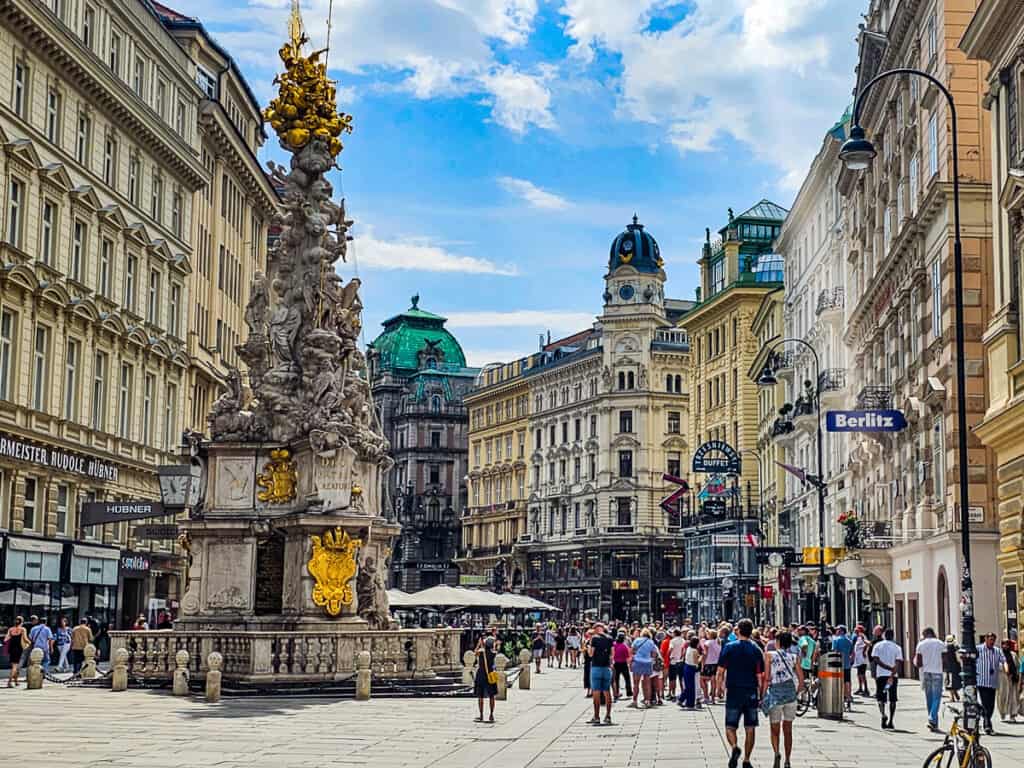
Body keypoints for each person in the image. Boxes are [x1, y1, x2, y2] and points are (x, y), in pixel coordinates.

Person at [716, 619, 765, 768]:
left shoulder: (729, 647)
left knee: (730, 726)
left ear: (738, 631)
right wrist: (761, 693)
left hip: (734, 691)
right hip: (750, 691)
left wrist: (719, 687)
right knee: (750, 728)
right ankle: (747, 760)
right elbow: (760, 675)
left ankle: (734, 747)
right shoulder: (756, 649)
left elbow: (720, 671)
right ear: (751, 631)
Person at [764, 630, 803, 768]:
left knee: (774, 728)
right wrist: (797, 691)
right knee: (788, 729)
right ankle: (787, 759)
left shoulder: (769, 655)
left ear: (778, 642)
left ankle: (776, 752)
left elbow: (767, 678)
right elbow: (800, 678)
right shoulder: (794, 657)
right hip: (790, 696)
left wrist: (763, 694)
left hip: (775, 695)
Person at [914, 627, 946, 731]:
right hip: (938, 672)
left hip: (926, 672)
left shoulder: (921, 644)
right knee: (937, 697)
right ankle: (932, 718)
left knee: (929, 698)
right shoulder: (941, 643)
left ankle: (933, 722)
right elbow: (945, 659)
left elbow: (918, 663)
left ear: (925, 634)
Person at [870, 627, 903, 730]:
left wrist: (885, 667)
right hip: (891, 677)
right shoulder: (897, 647)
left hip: (881, 676)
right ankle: (891, 721)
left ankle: (883, 714)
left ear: (884, 635)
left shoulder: (878, 645)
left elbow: (875, 659)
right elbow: (898, 662)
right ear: (893, 636)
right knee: (892, 698)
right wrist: (892, 673)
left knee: (881, 696)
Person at [587, 623, 614, 725]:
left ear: (595, 630)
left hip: (596, 667)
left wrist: (589, 644)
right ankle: (608, 716)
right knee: (607, 691)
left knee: (596, 692)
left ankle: (597, 716)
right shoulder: (610, 638)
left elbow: (590, 654)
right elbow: (612, 654)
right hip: (606, 667)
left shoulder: (594, 638)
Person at [976, 633, 1001, 735]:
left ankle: (985, 718)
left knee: (991, 706)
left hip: (992, 682)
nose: (992, 642)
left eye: (993, 640)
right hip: (982, 681)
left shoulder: (997, 651)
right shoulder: (978, 649)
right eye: (990, 640)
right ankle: (987, 725)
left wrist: (1006, 667)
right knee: (986, 704)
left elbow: (1003, 660)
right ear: (985, 639)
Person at [629, 628, 658, 708]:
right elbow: (654, 653)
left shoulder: (637, 640)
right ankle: (648, 701)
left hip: (637, 662)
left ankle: (634, 701)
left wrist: (631, 660)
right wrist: (651, 658)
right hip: (647, 663)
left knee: (636, 683)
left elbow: (631, 651)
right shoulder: (651, 642)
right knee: (647, 683)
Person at [473, 635, 498, 723]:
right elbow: (495, 649)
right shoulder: (493, 653)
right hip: (490, 675)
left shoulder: (480, 652)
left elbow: (474, 652)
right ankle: (491, 714)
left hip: (481, 675)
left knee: (480, 696)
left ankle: (481, 715)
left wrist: (479, 644)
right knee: (492, 696)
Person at [997, 639, 1021, 723]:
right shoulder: (998, 655)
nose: (1005, 646)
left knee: (1013, 697)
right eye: (1003, 644)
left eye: (1007, 644)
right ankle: (1002, 713)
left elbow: (1018, 665)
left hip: (1013, 679)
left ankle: (1012, 715)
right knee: (1002, 697)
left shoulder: (1013, 655)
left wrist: (1016, 675)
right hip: (1003, 680)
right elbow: (997, 666)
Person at [831, 625, 854, 709]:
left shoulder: (836, 640)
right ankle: (848, 697)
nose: (836, 631)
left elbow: (834, 651)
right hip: (847, 664)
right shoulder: (849, 640)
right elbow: (851, 652)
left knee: (839, 682)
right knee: (847, 681)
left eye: (837, 630)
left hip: (838, 664)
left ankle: (842, 699)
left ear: (841, 631)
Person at [3, 616, 28, 687]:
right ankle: (9, 682)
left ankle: (16, 681)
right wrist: (30, 642)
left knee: (14, 666)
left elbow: (5, 639)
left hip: (12, 649)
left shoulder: (11, 629)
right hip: (19, 649)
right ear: (22, 622)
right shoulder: (23, 629)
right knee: (15, 666)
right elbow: (25, 639)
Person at [702, 626, 723, 705]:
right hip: (716, 663)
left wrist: (702, 664)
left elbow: (705, 654)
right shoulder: (718, 642)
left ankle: (706, 696)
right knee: (713, 681)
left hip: (708, 663)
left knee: (702, 680)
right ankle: (713, 698)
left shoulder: (707, 643)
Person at [680, 635, 702, 710]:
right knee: (691, 687)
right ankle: (688, 703)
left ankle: (683, 700)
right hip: (691, 668)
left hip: (686, 667)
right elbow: (696, 662)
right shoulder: (695, 650)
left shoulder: (688, 648)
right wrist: (701, 657)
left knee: (688, 686)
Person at [612, 631, 632, 700]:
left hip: (616, 664)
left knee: (616, 679)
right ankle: (629, 692)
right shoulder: (624, 646)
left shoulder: (614, 645)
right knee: (627, 678)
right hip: (623, 664)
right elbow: (627, 657)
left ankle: (616, 692)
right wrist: (629, 664)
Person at [667, 628, 686, 700]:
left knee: (672, 678)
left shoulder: (672, 641)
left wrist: (668, 656)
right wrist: (681, 656)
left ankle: (673, 693)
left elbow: (670, 649)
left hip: (673, 661)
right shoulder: (683, 640)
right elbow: (683, 651)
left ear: (674, 633)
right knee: (681, 678)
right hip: (681, 661)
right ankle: (682, 692)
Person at [943, 635, 962, 702]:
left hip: (948, 667)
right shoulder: (956, 647)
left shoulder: (944, 647)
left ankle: (952, 696)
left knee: (950, 682)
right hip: (955, 666)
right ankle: (955, 693)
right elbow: (958, 658)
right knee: (955, 681)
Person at [853, 625, 870, 696]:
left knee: (862, 674)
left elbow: (867, 644)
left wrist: (864, 651)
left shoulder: (862, 636)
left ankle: (866, 689)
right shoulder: (858, 637)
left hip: (862, 659)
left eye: (856, 630)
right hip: (858, 659)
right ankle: (860, 688)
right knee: (859, 674)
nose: (855, 631)